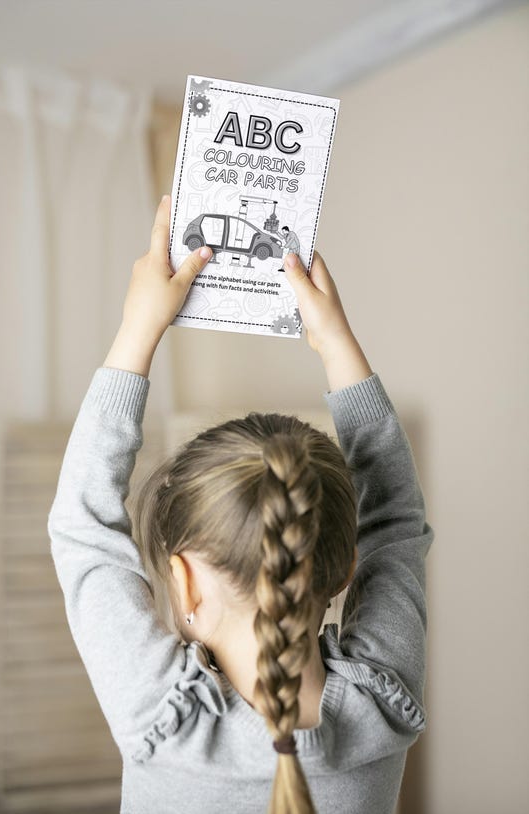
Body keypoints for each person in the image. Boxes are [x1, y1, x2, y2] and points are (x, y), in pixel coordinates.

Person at [47, 194, 433, 814]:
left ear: (184, 583)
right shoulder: (384, 706)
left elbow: (80, 527)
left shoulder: (164, 720)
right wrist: (335, 340)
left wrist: (139, 326)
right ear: (344, 567)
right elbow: (397, 521)